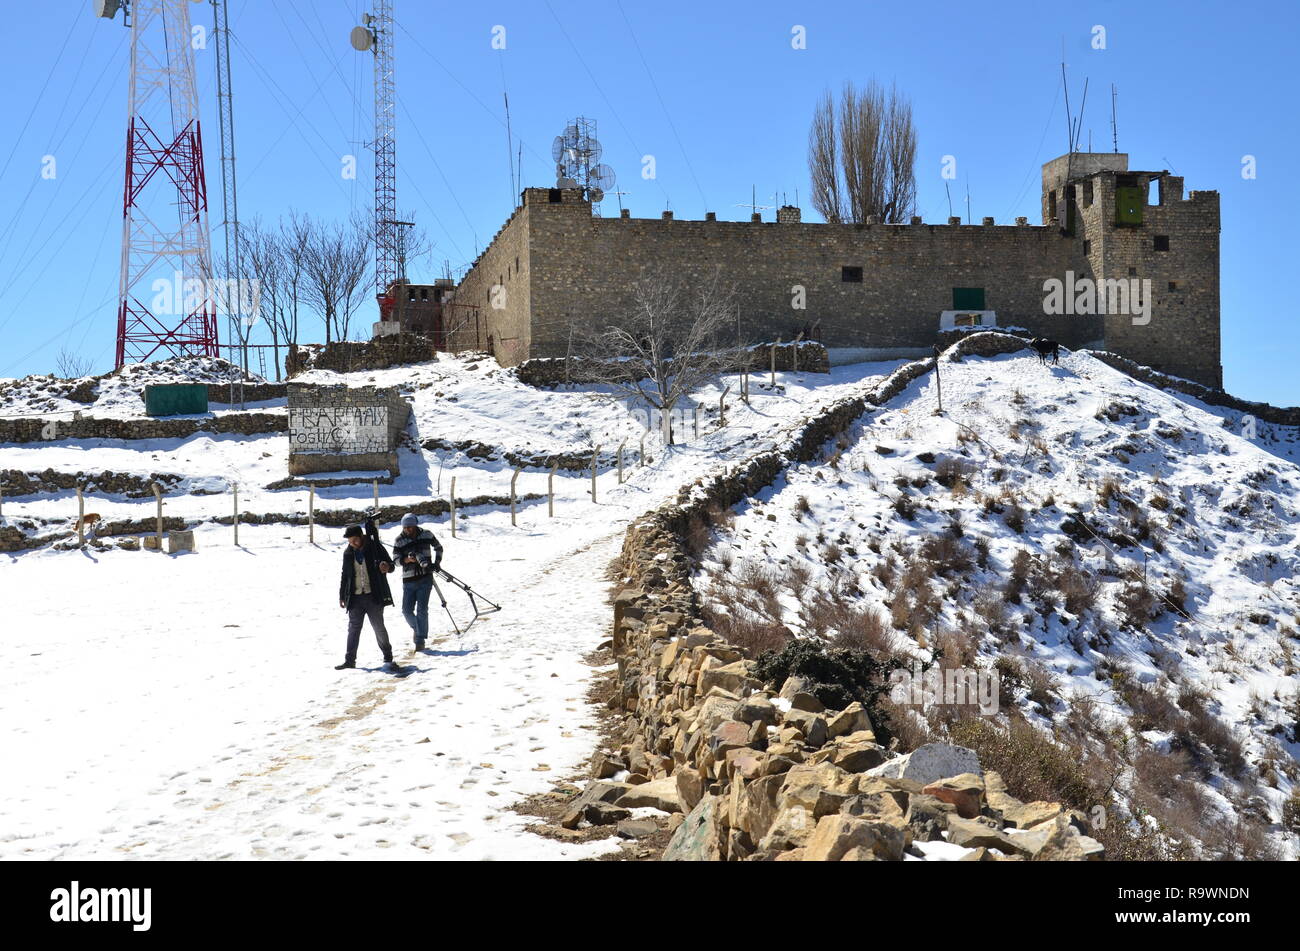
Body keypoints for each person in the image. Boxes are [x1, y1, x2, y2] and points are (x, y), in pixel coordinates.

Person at [337, 523, 398, 671]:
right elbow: (345, 575)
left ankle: (388, 657)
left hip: (373, 596)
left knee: (378, 627)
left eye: (355, 540)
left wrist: (386, 567)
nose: (352, 544)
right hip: (355, 597)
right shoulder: (348, 553)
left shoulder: (375, 548)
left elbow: (391, 565)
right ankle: (349, 660)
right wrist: (342, 595)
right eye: (350, 541)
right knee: (353, 629)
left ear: (362, 537)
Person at [392, 513, 444, 650]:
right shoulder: (399, 540)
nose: (408, 529)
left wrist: (436, 563)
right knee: (406, 610)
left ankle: (420, 641)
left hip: (426, 578)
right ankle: (418, 629)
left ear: (416, 525)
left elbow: (438, 547)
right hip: (408, 580)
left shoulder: (427, 534)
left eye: (410, 526)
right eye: (405, 527)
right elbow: (396, 561)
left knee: (422, 610)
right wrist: (407, 560)